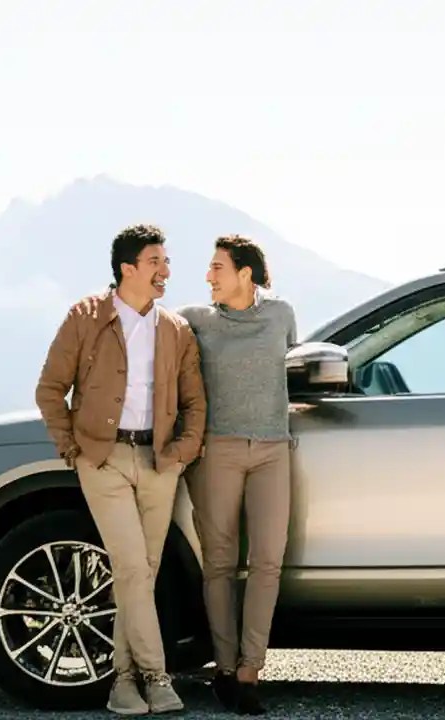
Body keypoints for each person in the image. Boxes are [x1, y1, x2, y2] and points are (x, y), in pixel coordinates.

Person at [34, 223, 207, 715]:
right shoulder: (85, 317)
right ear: (127, 269)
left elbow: (195, 403)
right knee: (132, 567)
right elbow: (50, 389)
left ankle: (122, 682)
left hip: (159, 462)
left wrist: (181, 452)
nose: (166, 272)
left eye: (166, 263)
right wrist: (74, 449)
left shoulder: (174, 329)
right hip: (104, 460)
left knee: (142, 574)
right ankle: (156, 676)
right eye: (156, 262)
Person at [178, 235, 297, 715]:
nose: (208, 277)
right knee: (221, 562)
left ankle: (251, 668)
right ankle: (225, 671)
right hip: (218, 450)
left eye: (217, 268)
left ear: (245, 273)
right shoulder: (195, 320)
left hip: (272, 448)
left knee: (268, 559)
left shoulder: (280, 314)